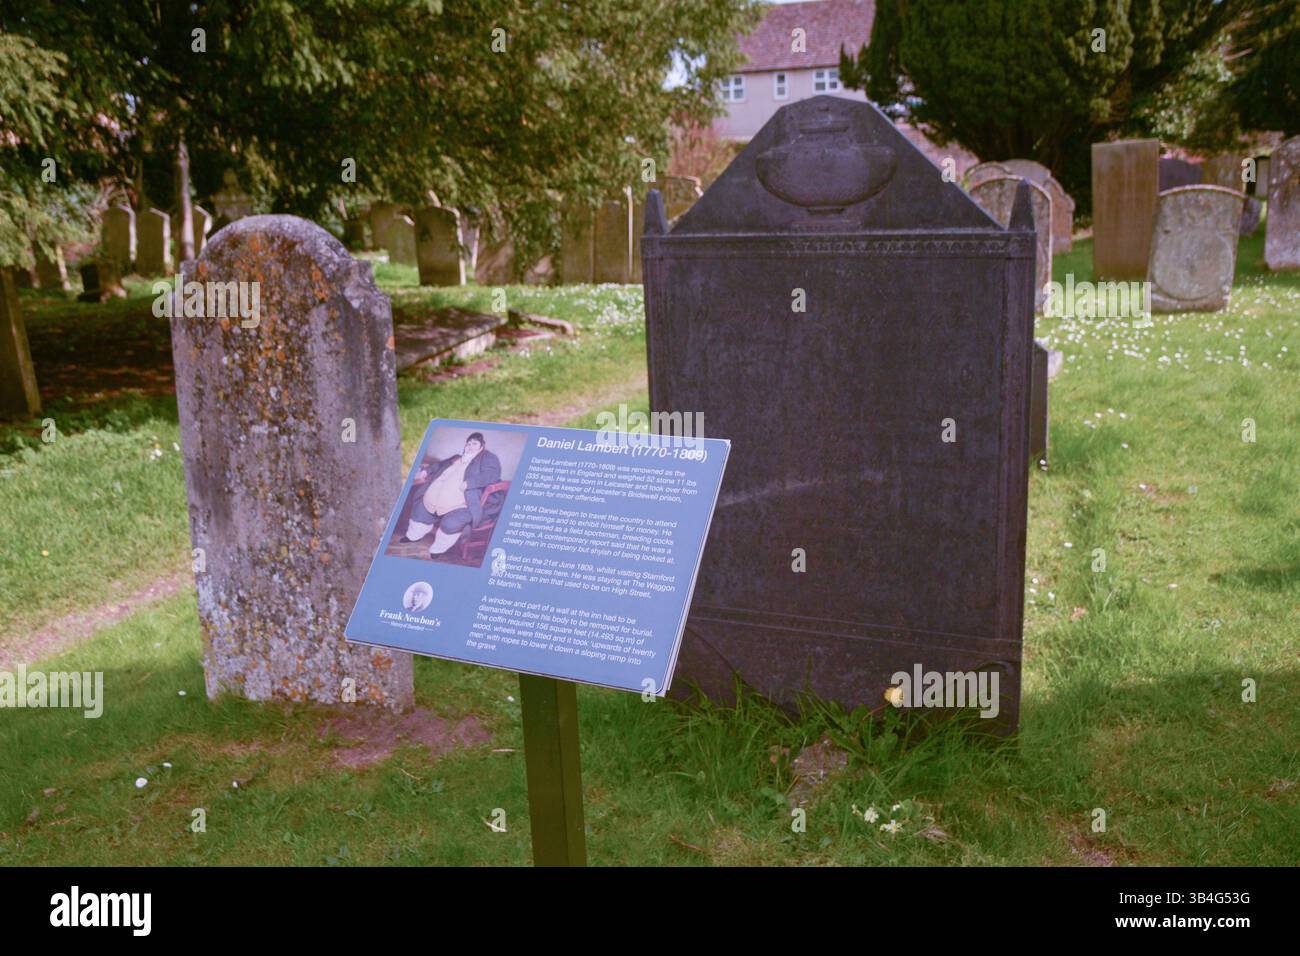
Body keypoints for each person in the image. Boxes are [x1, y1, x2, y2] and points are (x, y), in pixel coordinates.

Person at [400, 433, 504, 557]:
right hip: (433, 499)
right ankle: (413, 536)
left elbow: (491, 475)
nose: (470, 446)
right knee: (420, 511)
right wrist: (426, 471)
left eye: (474, 444)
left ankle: (437, 549)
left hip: (462, 503)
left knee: (451, 523)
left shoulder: (488, 457)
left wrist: (470, 483)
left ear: (482, 446)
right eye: (468, 443)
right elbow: (439, 465)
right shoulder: (456, 458)